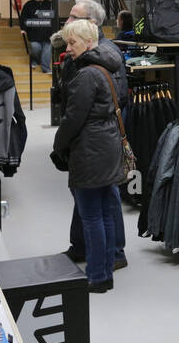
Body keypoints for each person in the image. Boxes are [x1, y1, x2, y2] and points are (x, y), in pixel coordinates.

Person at [52, 19, 125, 293]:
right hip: (107, 147)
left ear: (89, 42)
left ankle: (96, 276)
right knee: (105, 214)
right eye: (67, 42)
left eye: (73, 42)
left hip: (90, 151)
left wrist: (59, 145)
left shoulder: (86, 75)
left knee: (92, 216)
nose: (68, 48)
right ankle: (105, 273)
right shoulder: (107, 68)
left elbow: (73, 118)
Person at [19, 0, 56, 73]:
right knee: (36, 48)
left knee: (47, 50)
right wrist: (23, 29)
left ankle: (46, 68)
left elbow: (54, 16)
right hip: (34, 33)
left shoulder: (49, 3)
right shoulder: (28, 5)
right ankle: (35, 60)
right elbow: (23, 18)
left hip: (47, 32)